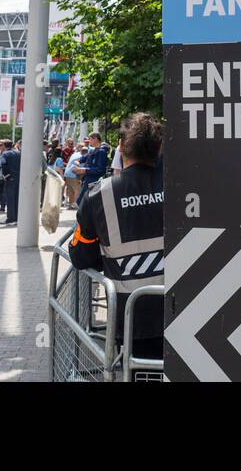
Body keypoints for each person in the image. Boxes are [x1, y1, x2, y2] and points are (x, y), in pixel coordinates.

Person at [69, 113, 165, 360]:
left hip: (130, 317)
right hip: (181, 310)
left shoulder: (98, 194)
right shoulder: (180, 187)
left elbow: (80, 256)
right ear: (159, 148)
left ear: (121, 146)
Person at [0, 140, 21, 226]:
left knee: (9, 199)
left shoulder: (5, 154)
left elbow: (3, 164)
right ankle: (16, 217)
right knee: (16, 198)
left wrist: (6, 175)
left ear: (4, 146)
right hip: (18, 178)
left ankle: (10, 218)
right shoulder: (18, 153)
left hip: (10, 178)